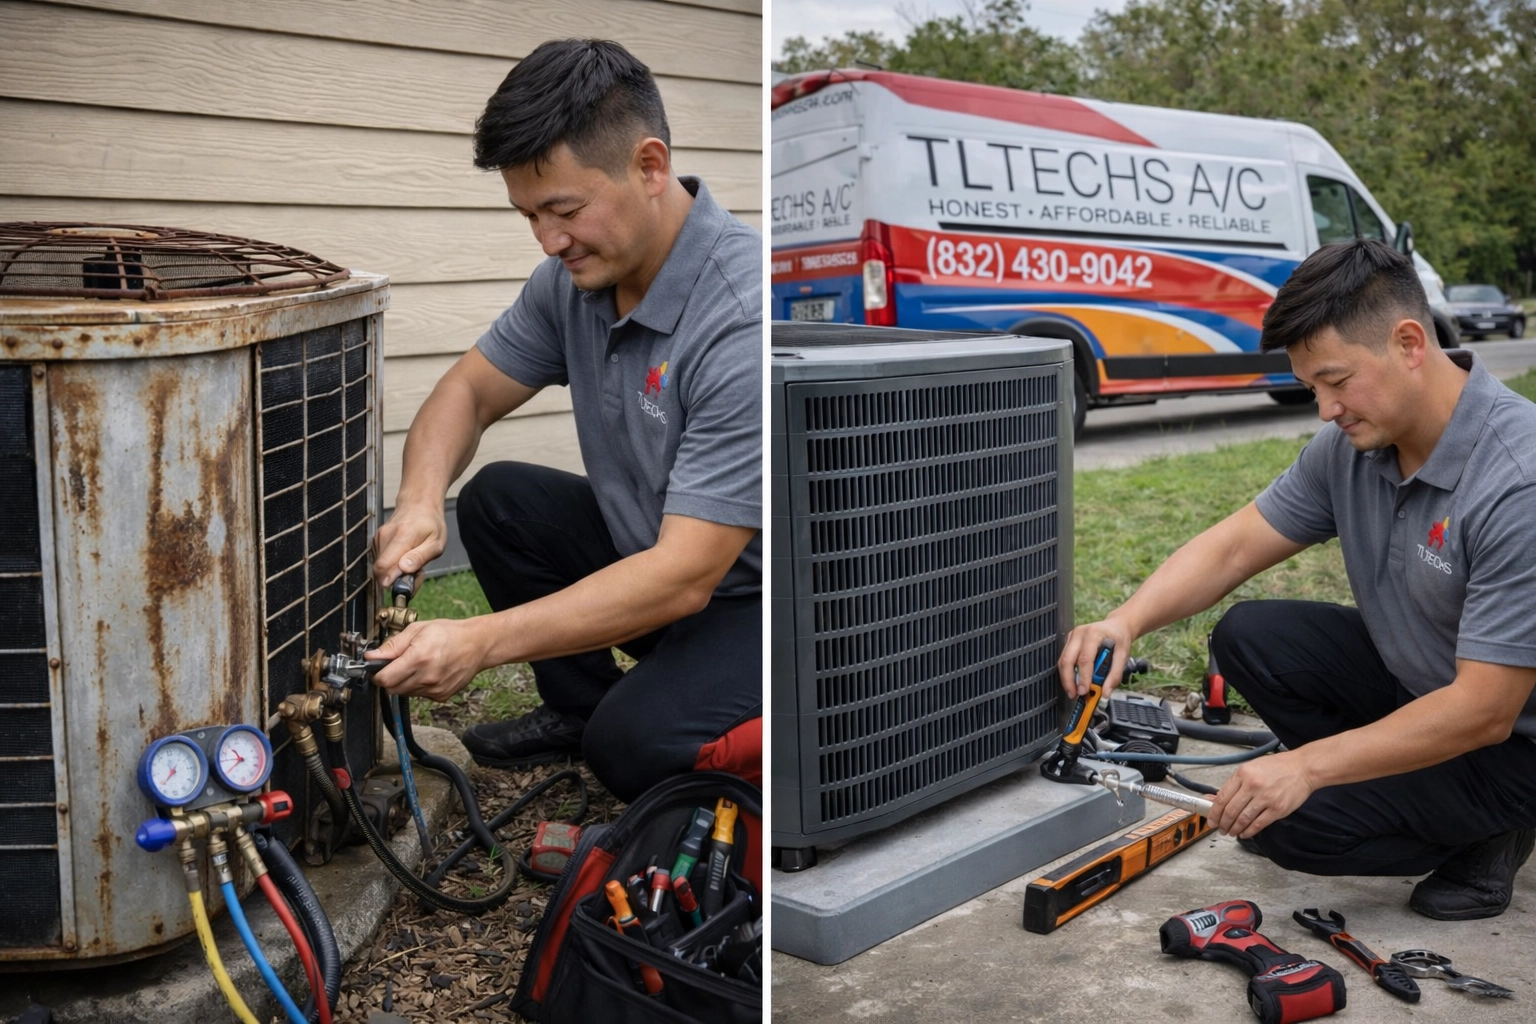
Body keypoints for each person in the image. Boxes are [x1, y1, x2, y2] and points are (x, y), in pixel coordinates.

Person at [1060, 239, 1536, 920]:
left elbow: (1486, 710)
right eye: (1313, 387)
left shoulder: (1518, 481)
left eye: (1336, 382)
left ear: (1408, 344)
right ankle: (1400, 788)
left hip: (1512, 744)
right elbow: (1232, 549)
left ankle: (1490, 833)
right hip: (1424, 686)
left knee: (1289, 826)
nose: (1324, 408)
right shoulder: (1352, 447)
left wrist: (1306, 768)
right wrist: (1125, 621)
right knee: (1252, 637)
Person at [367, 39, 762, 802]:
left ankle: (745, 731)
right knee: (499, 497)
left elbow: (686, 576)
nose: (548, 241)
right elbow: (467, 393)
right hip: (654, 561)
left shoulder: (738, 317)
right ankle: (580, 712)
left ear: (650, 167)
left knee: (634, 752)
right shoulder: (573, 279)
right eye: (529, 215)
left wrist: (478, 643)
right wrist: (418, 500)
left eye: (564, 211)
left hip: (751, 605)